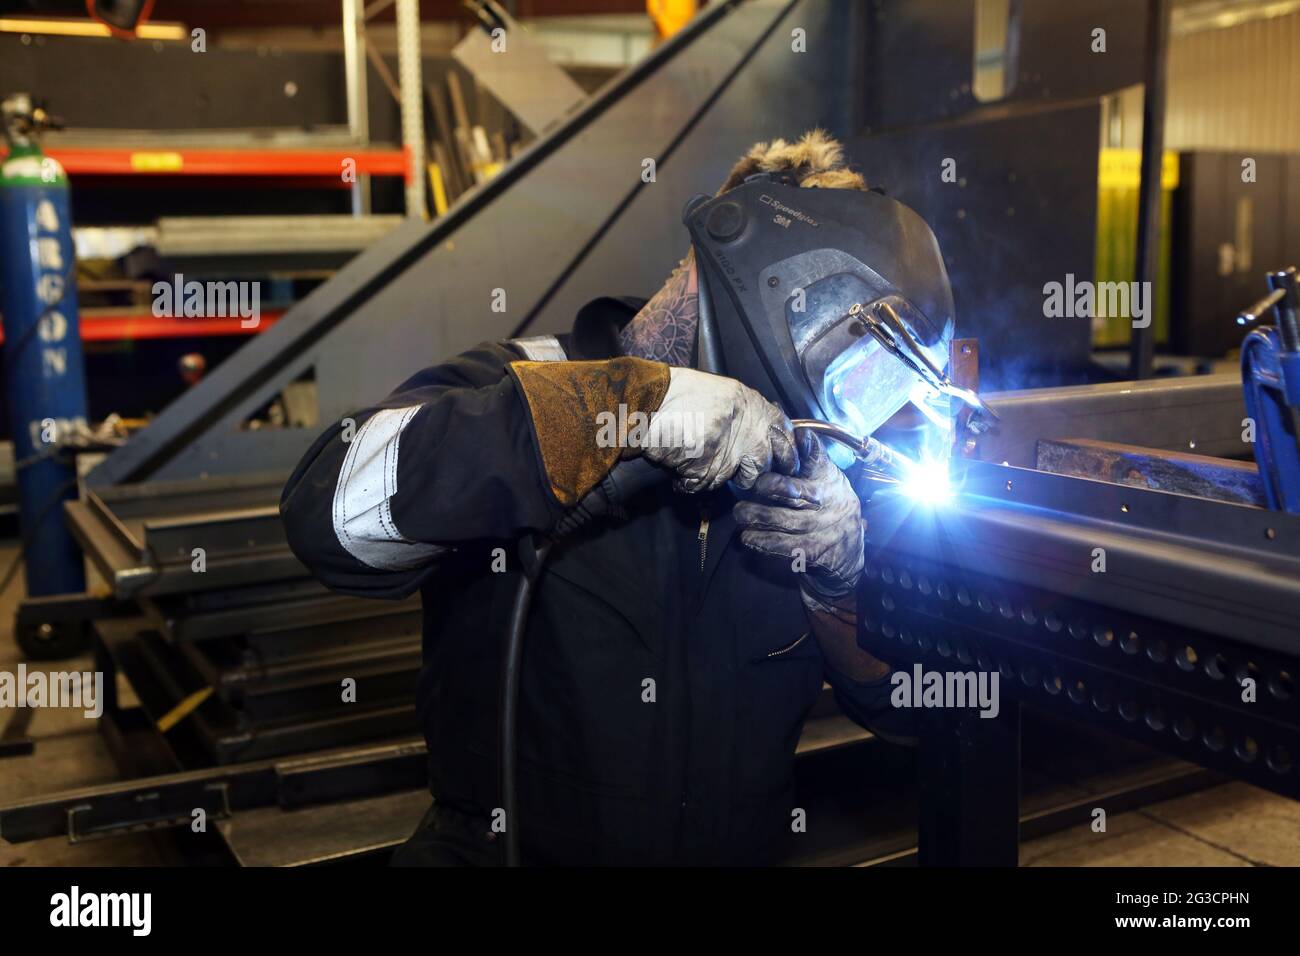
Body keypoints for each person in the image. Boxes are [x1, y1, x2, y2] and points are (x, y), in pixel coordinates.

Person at [280, 130, 918, 865]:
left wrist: (841, 589)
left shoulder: (812, 465)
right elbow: (325, 515)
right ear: (753, 279)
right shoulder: (517, 382)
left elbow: (910, 714)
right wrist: (615, 413)